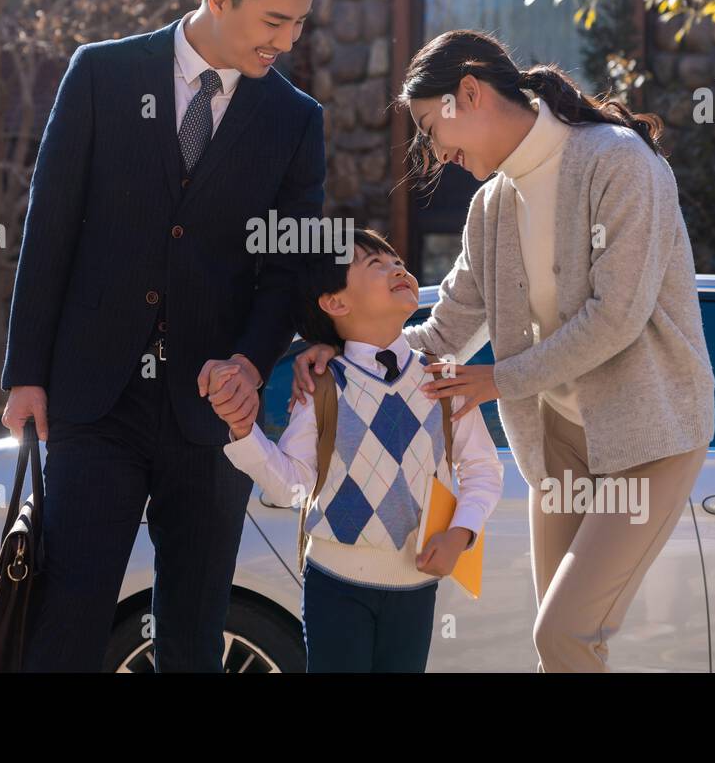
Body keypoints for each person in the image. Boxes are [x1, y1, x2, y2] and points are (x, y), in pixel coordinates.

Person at [293, 30, 715, 671]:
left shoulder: (618, 162)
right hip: (560, 442)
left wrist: (498, 379)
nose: (434, 152)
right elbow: (438, 336)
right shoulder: (490, 208)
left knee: (566, 634)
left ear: (470, 93)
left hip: (650, 435)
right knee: (557, 647)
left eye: (433, 128)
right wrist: (338, 352)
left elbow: (617, 317)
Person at [1, 0, 336, 672]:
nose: (287, 42)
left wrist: (252, 364)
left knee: (191, 634)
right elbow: (48, 230)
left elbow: (285, 266)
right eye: (275, 20)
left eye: (299, 25)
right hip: (96, 399)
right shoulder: (101, 75)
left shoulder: (294, 120)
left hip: (215, 417)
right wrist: (25, 372)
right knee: (65, 623)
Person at [207, 229, 503, 672]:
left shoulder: (445, 382)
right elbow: (293, 483)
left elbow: (483, 469)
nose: (397, 268)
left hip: (416, 588)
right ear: (335, 303)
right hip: (334, 586)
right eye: (376, 265)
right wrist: (243, 431)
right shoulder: (323, 384)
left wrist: (460, 534)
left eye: (397, 261)